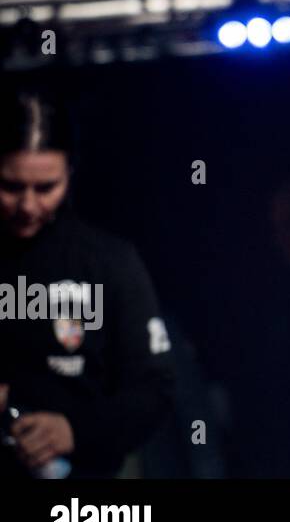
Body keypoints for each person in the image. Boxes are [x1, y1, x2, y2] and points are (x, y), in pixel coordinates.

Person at [0, 91, 175, 478]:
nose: (27, 205)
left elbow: (154, 389)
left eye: (46, 188)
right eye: (11, 187)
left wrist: (75, 430)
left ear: (70, 175)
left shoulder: (109, 263)